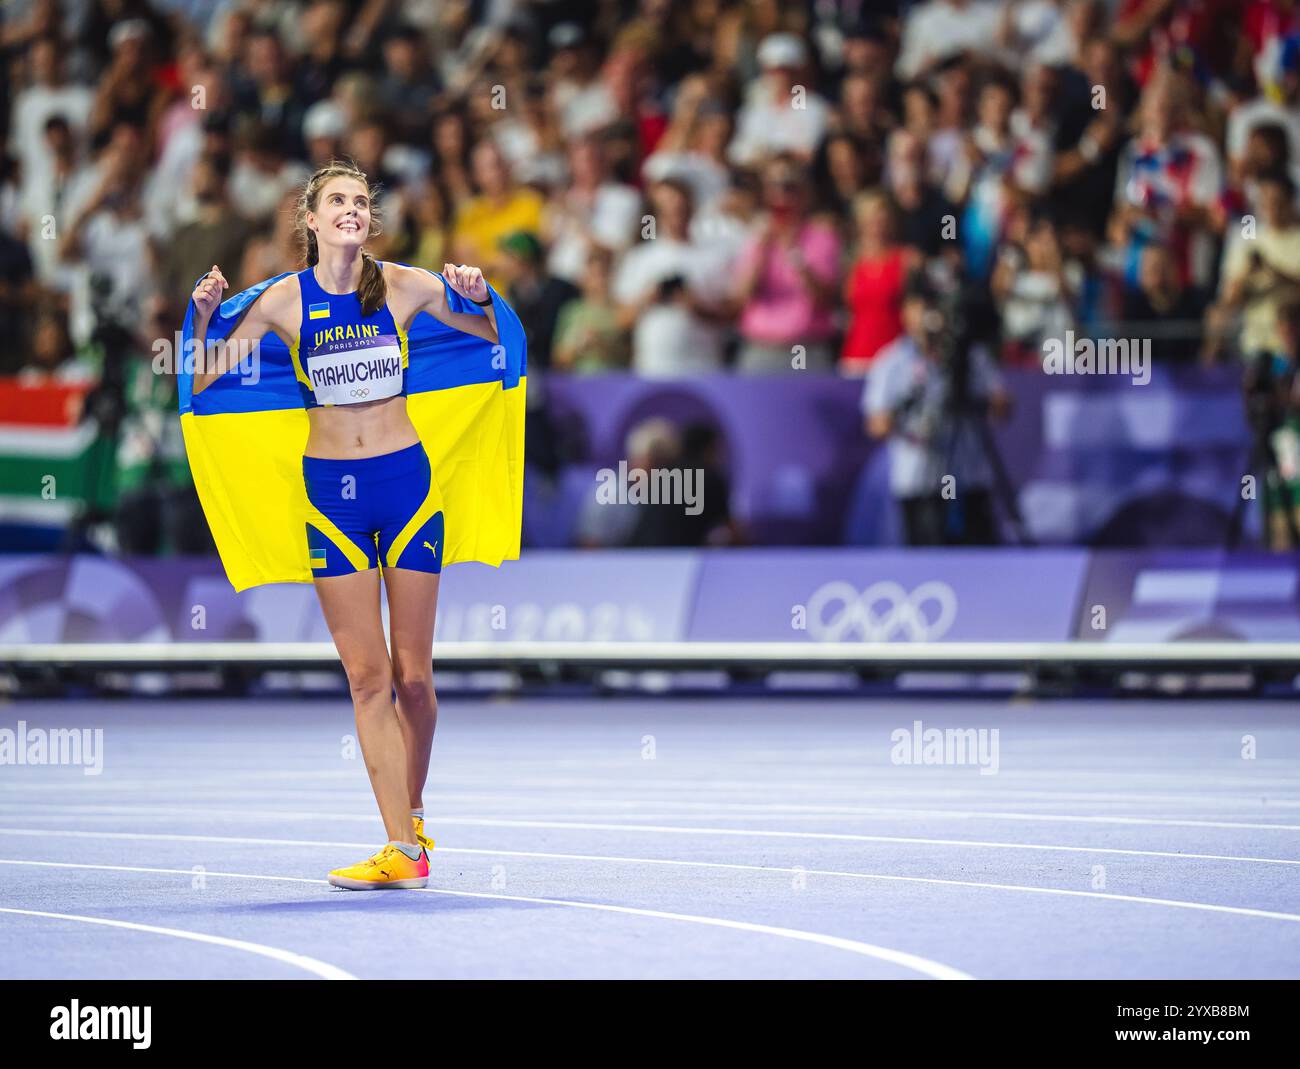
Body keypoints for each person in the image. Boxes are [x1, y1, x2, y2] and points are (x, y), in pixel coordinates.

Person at [187, 160, 517, 890]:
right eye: (338, 200)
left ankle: (415, 809)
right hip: (332, 501)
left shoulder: (406, 284)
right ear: (310, 219)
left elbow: (495, 338)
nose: (352, 210)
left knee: (416, 679)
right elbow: (204, 374)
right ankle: (401, 844)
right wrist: (203, 314)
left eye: (361, 201)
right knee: (368, 680)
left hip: (406, 488)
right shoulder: (282, 301)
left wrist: (482, 295)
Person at [863, 274, 1011, 545]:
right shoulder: (892, 362)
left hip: (967, 476)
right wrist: (911, 406)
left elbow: (1003, 407)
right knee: (926, 556)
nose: (929, 315)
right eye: (920, 306)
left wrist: (970, 397)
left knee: (979, 554)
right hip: (918, 477)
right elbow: (877, 424)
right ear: (906, 311)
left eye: (935, 306)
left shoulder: (969, 355)